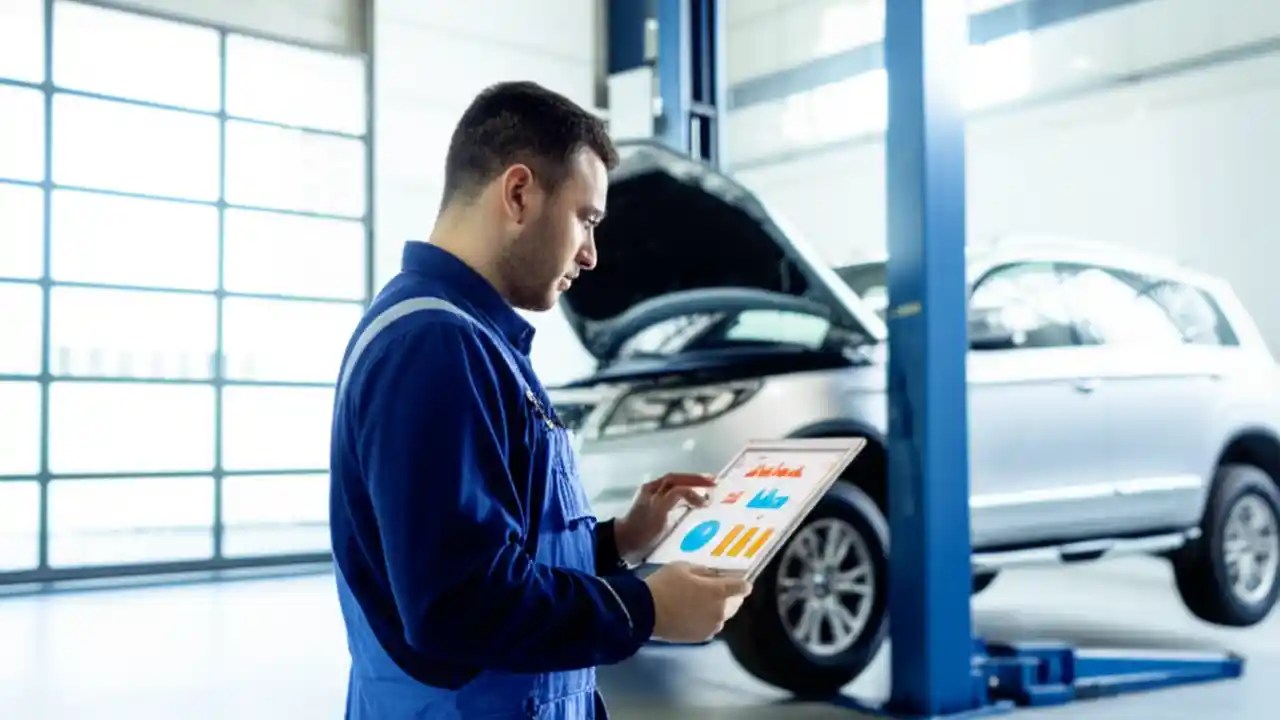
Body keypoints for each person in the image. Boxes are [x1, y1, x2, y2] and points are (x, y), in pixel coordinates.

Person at [328, 80, 753, 719]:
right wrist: (647, 607)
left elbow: (496, 544)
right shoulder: (434, 347)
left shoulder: (473, 341)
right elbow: (457, 601)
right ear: (519, 192)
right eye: (586, 219)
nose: (590, 254)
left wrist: (620, 542)